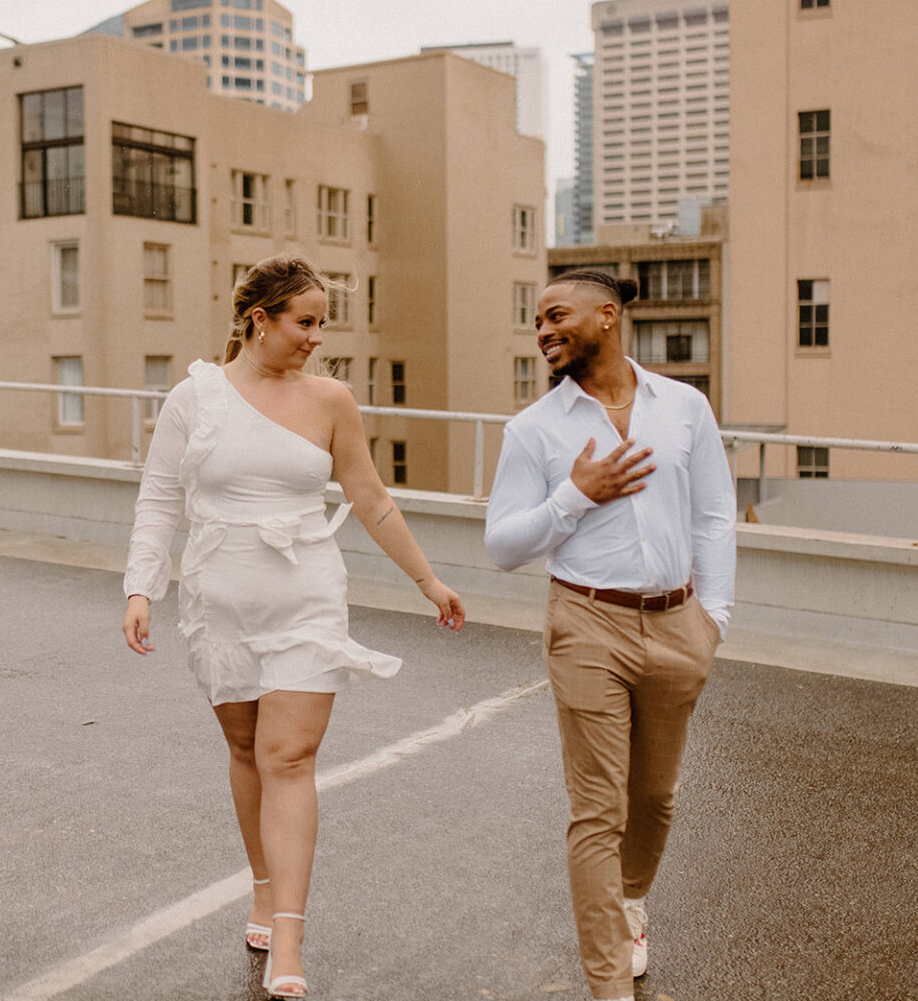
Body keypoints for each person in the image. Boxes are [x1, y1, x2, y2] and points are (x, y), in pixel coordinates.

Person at [121, 254, 466, 999]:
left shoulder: (332, 399)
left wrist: (427, 581)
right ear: (260, 319)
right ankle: (262, 885)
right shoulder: (194, 398)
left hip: (305, 593)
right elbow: (158, 497)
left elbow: (371, 498)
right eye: (304, 322)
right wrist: (141, 586)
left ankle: (289, 934)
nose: (316, 338)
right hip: (219, 597)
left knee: (289, 756)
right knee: (247, 751)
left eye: (320, 324)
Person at [484, 269, 735, 1001]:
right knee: (598, 810)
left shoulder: (684, 407)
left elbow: (715, 514)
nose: (543, 330)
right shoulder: (534, 430)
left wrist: (713, 620)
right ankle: (609, 984)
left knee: (654, 798)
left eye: (556, 315)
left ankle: (629, 899)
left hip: (678, 625)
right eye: (537, 320)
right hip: (586, 623)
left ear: (607, 315)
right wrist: (574, 495)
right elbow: (502, 545)